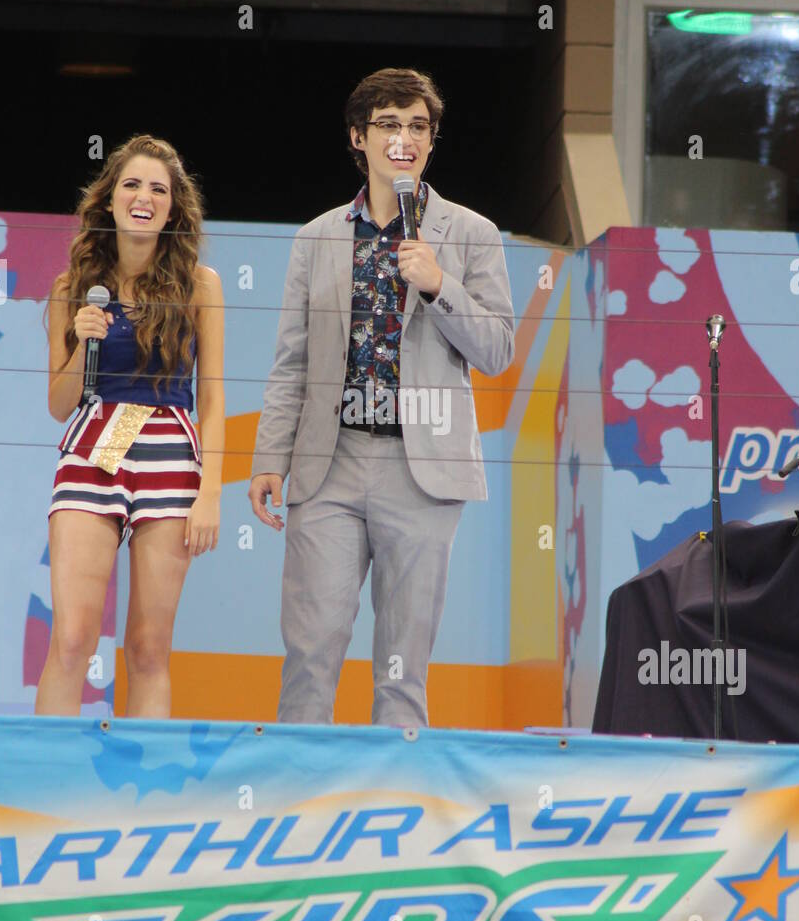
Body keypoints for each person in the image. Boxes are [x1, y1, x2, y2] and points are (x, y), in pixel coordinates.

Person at [248, 67, 514, 726]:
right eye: (389, 124)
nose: (405, 137)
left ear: (431, 142)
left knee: (403, 666)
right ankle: (296, 807)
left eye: (418, 126)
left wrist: (438, 284)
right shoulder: (316, 238)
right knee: (311, 649)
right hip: (328, 462)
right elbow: (292, 362)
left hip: (422, 469)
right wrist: (267, 458)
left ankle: (393, 814)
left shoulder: (469, 234)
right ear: (358, 137)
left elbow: (498, 350)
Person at [35, 134, 224, 717]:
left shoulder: (200, 284)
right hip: (93, 448)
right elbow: (59, 403)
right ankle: (45, 791)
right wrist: (80, 343)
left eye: (158, 189)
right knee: (71, 639)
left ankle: (141, 808)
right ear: (111, 198)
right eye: (132, 184)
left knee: (148, 647)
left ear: (174, 207)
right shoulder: (73, 286)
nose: (144, 197)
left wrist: (210, 493)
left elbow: (213, 399)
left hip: (170, 453)